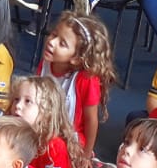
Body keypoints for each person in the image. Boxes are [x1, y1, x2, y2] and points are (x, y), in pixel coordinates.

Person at [9, 74, 88, 168]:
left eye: (28, 102)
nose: (18, 106)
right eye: (16, 100)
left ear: (46, 112)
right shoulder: (15, 132)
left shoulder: (53, 145)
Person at [37, 11, 115, 151]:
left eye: (62, 43)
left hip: (69, 139)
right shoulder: (46, 62)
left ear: (76, 58)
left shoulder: (86, 79)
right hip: (42, 128)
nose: (51, 42)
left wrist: (86, 154)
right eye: (54, 34)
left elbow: (91, 120)